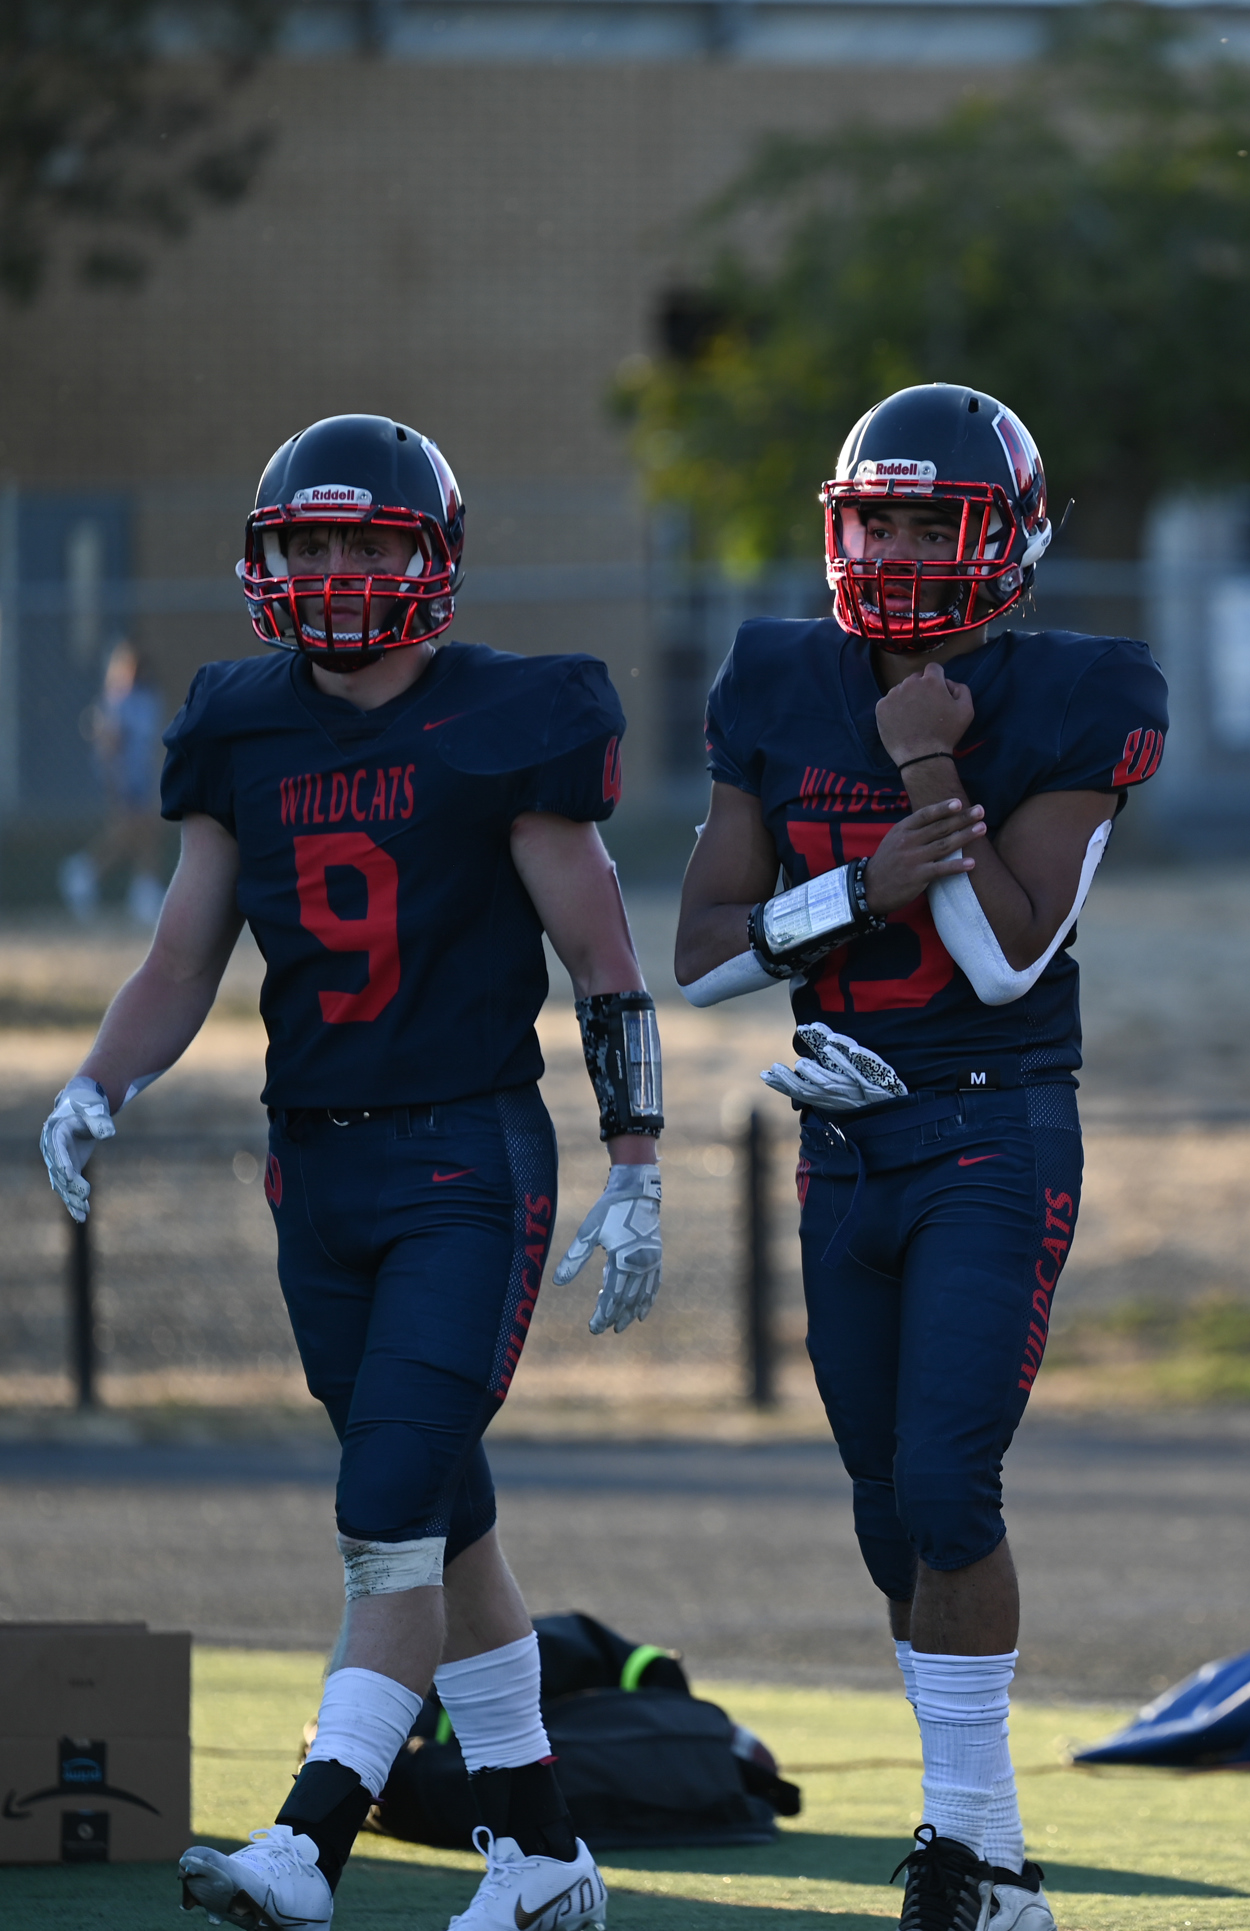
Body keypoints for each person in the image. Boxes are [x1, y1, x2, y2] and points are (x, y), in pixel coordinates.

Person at [38, 414, 668, 1931]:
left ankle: (312, 1840)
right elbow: (185, 951)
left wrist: (635, 1160)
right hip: (313, 1172)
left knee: (385, 1497)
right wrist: (93, 1078)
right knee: (445, 1518)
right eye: (306, 543)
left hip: (465, 1155)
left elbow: (603, 960)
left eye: (363, 543)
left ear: (427, 563)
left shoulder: (508, 715)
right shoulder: (242, 722)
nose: (330, 571)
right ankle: (543, 1857)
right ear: (267, 563)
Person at [674, 383, 1167, 1931]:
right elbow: (699, 951)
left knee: (954, 1480)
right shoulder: (773, 672)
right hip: (848, 1135)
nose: (889, 543)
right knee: (888, 1509)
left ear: (1002, 539)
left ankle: (968, 1848)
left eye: (926, 518)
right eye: (872, 514)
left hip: (991, 1125)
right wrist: (861, 884)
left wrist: (925, 769)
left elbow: (1014, 957)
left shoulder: (1082, 687)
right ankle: (997, 1860)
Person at [60, 639, 168, 924]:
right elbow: (110, 748)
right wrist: (116, 784)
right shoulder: (115, 703)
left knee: (145, 833)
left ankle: (141, 891)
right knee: (127, 832)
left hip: (144, 777)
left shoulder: (148, 699)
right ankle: (86, 873)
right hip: (124, 779)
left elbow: (154, 744)